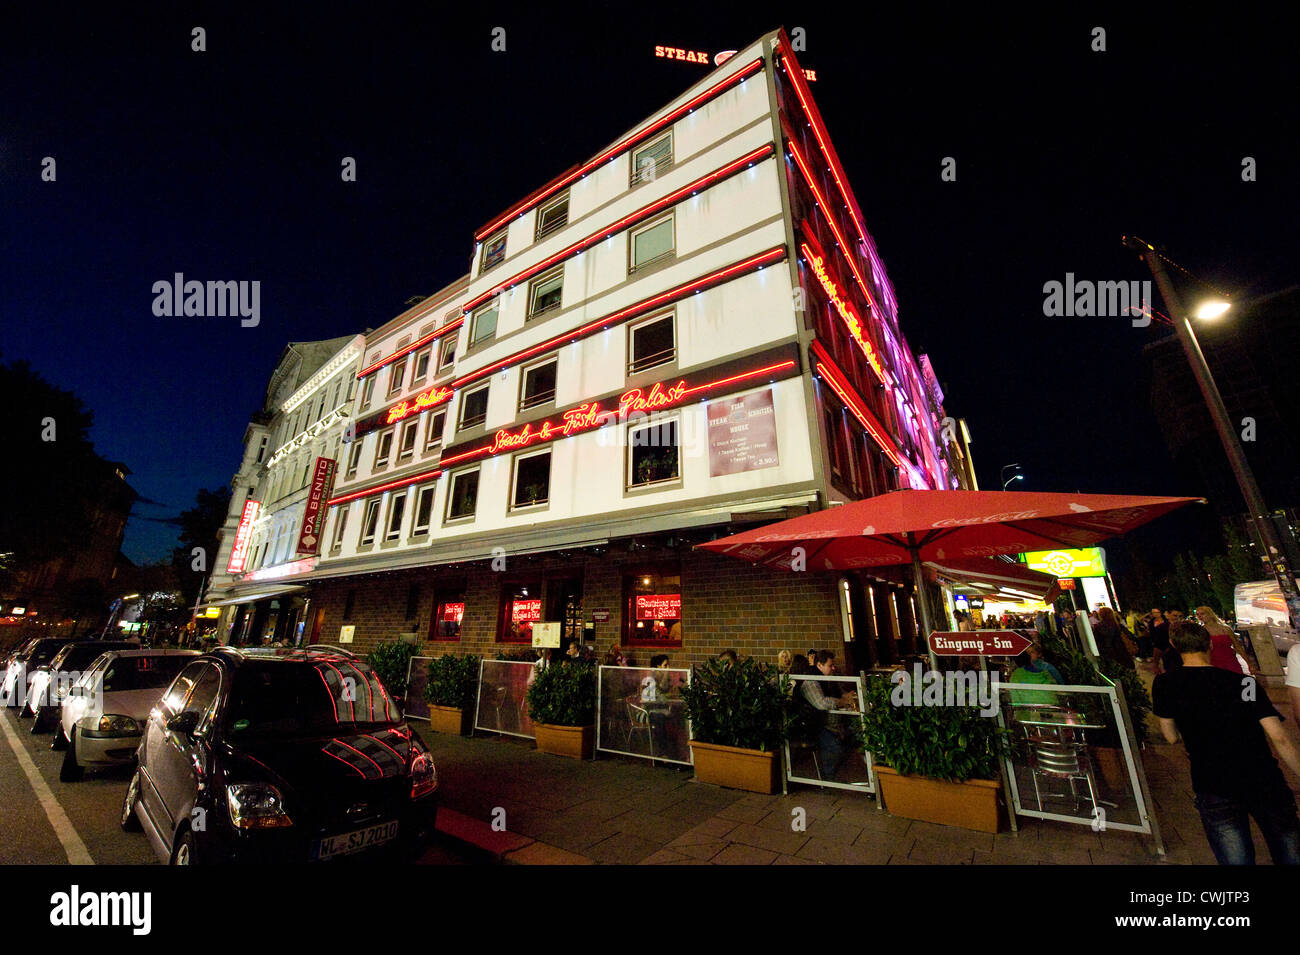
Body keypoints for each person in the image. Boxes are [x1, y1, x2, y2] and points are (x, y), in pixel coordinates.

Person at [1152, 620, 1300, 865]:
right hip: (1263, 778)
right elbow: (1279, 737)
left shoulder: (1166, 685)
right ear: (1209, 644)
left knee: (1235, 858)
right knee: (1290, 852)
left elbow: (1170, 736)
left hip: (1212, 782)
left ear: (1174, 646)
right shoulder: (1244, 684)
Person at [799, 650, 851, 777]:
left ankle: (832, 774)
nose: (833, 668)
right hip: (816, 726)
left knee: (853, 740)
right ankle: (828, 776)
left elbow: (841, 693)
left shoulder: (829, 679)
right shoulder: (811, 681)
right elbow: (821, 703)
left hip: (833, 724)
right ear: (819, 665)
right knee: (837, 749)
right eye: (830, 665)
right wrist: (841, 702)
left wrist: (846, 697)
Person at [1195, 607, 1250, 675]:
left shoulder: (1226, 629)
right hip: (1214, 663)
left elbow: (1238, 647)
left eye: (1202, 613)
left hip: (1230, 661)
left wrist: (1249, 664)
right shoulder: (1201, 631)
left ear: (1210, 614)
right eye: (1197, 614)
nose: (1199, 616)